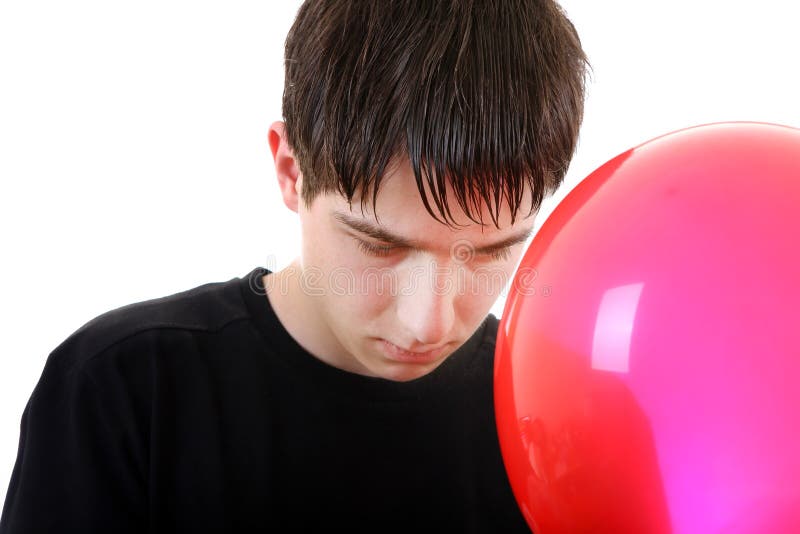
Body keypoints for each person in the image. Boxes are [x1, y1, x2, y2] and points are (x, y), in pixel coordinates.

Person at [0, 0, 588, 531]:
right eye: (379, 246)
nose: (428, 324)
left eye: (490, 252)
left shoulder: (558, 414)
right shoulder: (119, 393)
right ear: (290, 170)